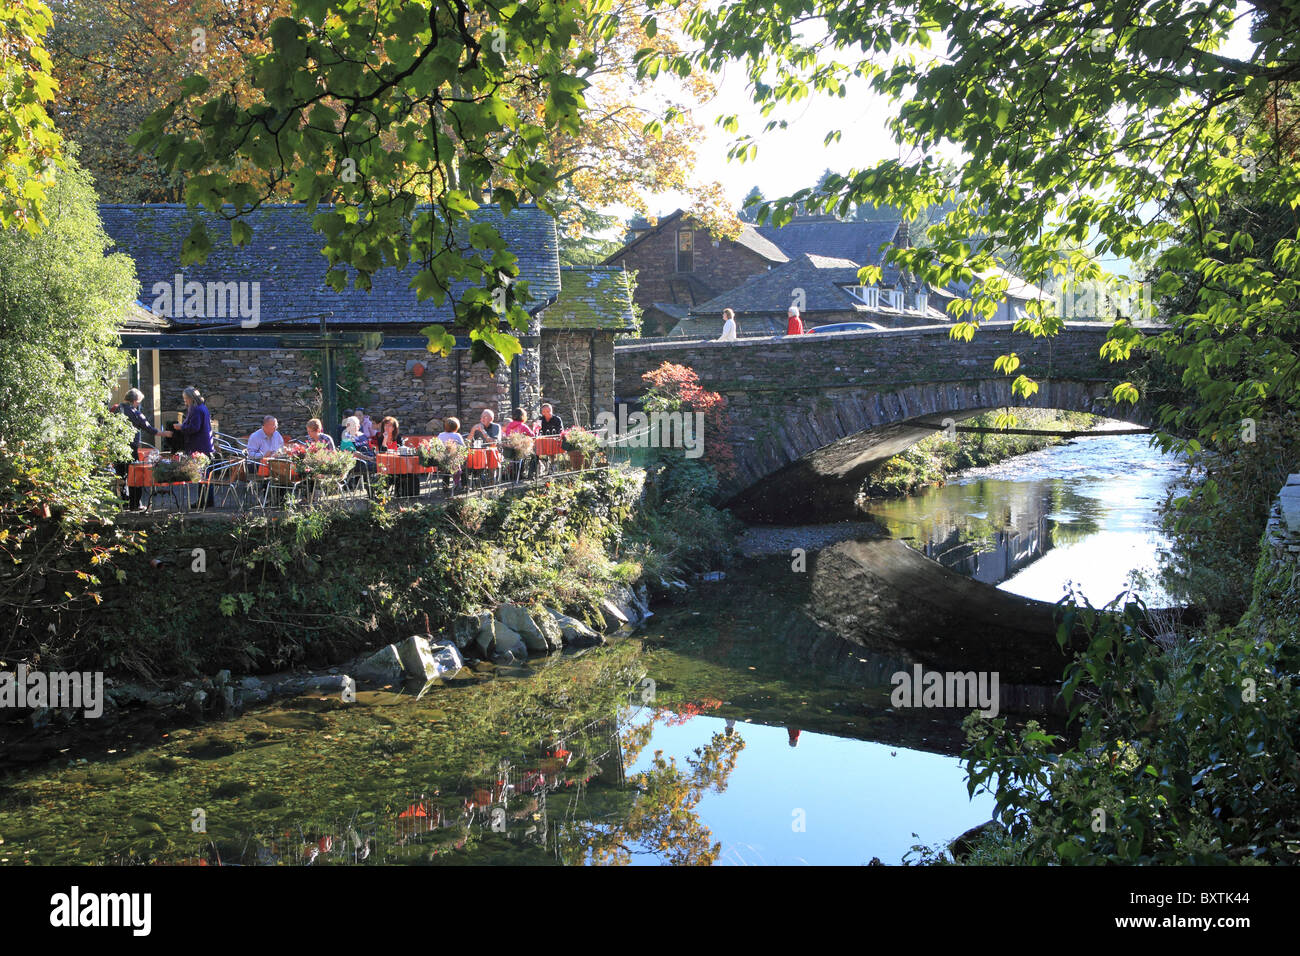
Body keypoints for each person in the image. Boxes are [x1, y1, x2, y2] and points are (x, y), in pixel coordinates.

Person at [161, 386, 215, 509]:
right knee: (205, 474)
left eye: (185, 398)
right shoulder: (203, 407)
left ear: (191, 398)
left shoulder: (195, 409)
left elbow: (194, 428)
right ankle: (208, 501)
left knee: (202, 475)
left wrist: (180, 427)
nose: (184, 401)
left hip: (199, 445)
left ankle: (203, 502)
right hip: (205, 444)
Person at [113, 388, 159, 511]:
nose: (138, 404)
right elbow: (149, 429)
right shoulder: (135, 413)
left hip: (117, 448)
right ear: (134, 401)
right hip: (130, 449)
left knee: (121, 476)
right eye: (138, 402)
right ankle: (135, 504)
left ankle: (122, 503)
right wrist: (166, 433)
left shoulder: (117, 409)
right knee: (134, 476)